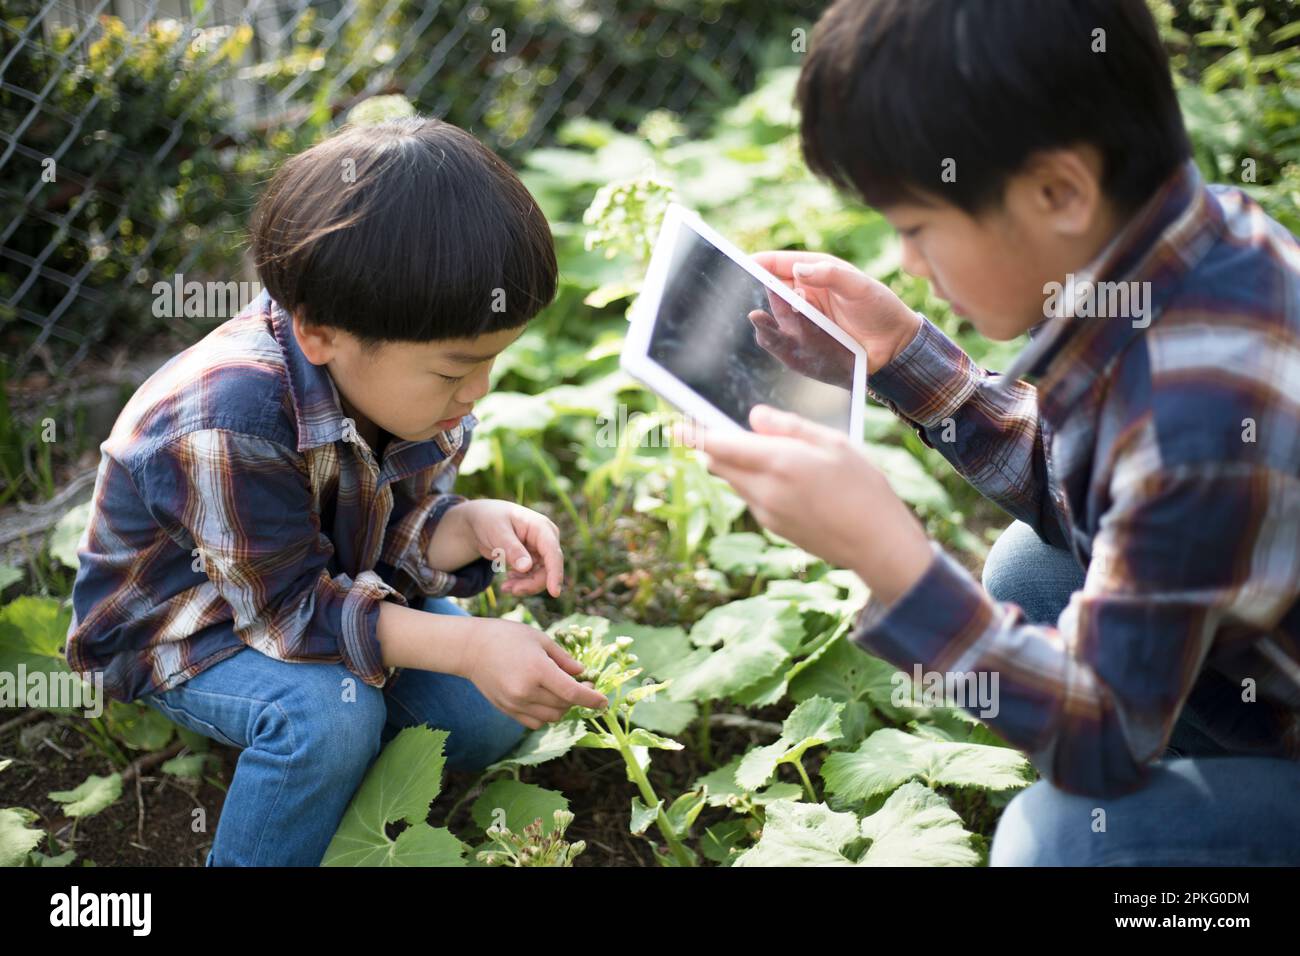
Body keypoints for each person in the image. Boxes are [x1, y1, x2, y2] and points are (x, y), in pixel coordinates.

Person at [685, 0, 1300, 865]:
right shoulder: (1192, 258)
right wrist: (901, 353)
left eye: (917, 227)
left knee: (1059, 846)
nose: (906, 260)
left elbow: (1099, 740)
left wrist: (891, 560)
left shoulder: (1197, 409)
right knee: (1030, 570)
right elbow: (1094, 484)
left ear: (1058, 191)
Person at [63, 117, 608, 866]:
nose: (476, 393)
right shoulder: (227, 419)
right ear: (320, 334)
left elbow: (396, 525)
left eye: (491, 363)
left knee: (483, 720)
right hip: (188, 624)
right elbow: (288, 611)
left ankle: (325, 773)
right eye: (454, 371)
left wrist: (473, 522)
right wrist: (469, 640)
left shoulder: (408, 386)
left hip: (318, 584)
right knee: (329, 719)